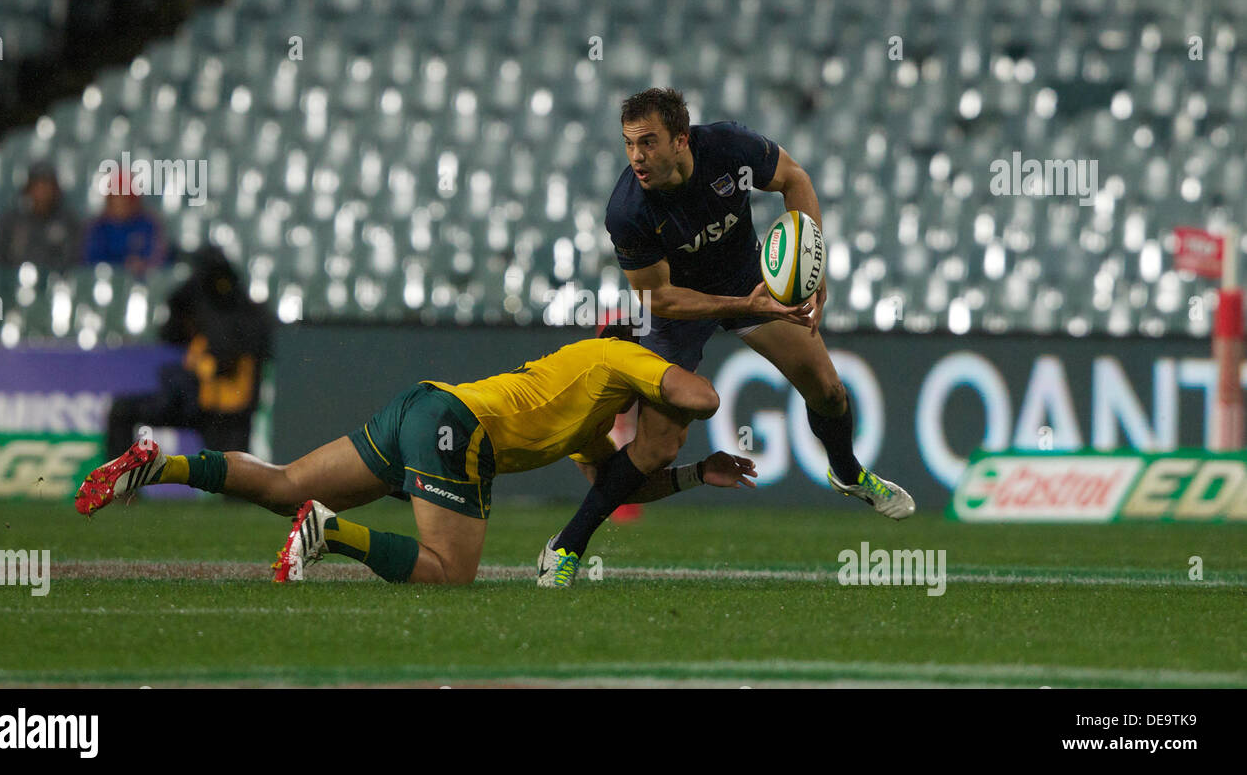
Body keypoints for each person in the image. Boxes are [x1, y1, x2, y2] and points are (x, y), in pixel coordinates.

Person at [538, 88, 915, 566]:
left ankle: (848, 473)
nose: (637, 156)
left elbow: (794, 178)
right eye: (629, 143)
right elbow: (658, 297)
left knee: (829, 390)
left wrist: (813, 260)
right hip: (678, 313)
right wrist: (744, 302)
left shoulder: (728, 147)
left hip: (747, 279)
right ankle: (565, 547)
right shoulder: (628, 210)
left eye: (648, 142)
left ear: (681, 140)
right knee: (657, 448)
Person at [76, 330, 758, 587]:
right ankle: (332, 531)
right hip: (454, 431)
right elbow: (697, 392)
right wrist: (682, 373)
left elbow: (615, 487)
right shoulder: (617, 355)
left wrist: (697, 473)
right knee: (450, 573)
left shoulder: (590, 415)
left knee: (284, 485)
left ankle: (156, 464)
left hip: (424, 407)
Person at [104, 245, 273, 461]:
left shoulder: (247, 313)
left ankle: (123, 485)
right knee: (122, 410)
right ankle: (123, 485)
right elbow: (169, 333)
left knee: (233, 476)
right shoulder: (195, 300)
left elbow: (234, 361)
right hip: (193, 401)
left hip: (227, 412)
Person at [0, 161, 82, 270]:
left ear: (55, 189)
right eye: (37, 185)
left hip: (57, 282)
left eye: (47, 185)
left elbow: (73, 261)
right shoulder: (13, 223)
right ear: (28, 189)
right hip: (17, 282)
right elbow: (0, 261)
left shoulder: (68, 222)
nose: (42, 191)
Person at [83, 177, 168, 274]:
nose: (120, 203)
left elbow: (158, 260)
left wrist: (143, 265)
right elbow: (90, 262)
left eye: (124, 198)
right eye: (115, 198)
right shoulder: (98, 227)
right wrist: (121, 266)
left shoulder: (149, 225)